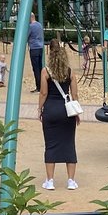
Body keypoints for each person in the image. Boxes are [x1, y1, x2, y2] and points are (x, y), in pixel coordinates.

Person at [37, 39, 79, 191]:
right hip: (67, 110)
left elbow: (43, 92)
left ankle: (50, 181)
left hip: (51, 109)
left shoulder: (46, 71)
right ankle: (71, 181)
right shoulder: (70, 71)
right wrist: (77, 112)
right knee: (69, 143)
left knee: (50, 145)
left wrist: (39, 108)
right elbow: (74, 93)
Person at [27, 11, 45, 93]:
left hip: (34, 48)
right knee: (40, 67)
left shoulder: (30, 26)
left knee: (36, 69)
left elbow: (26, 36)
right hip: (40, 47)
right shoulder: (39, 25)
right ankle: (43, 85)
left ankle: (39, 87)